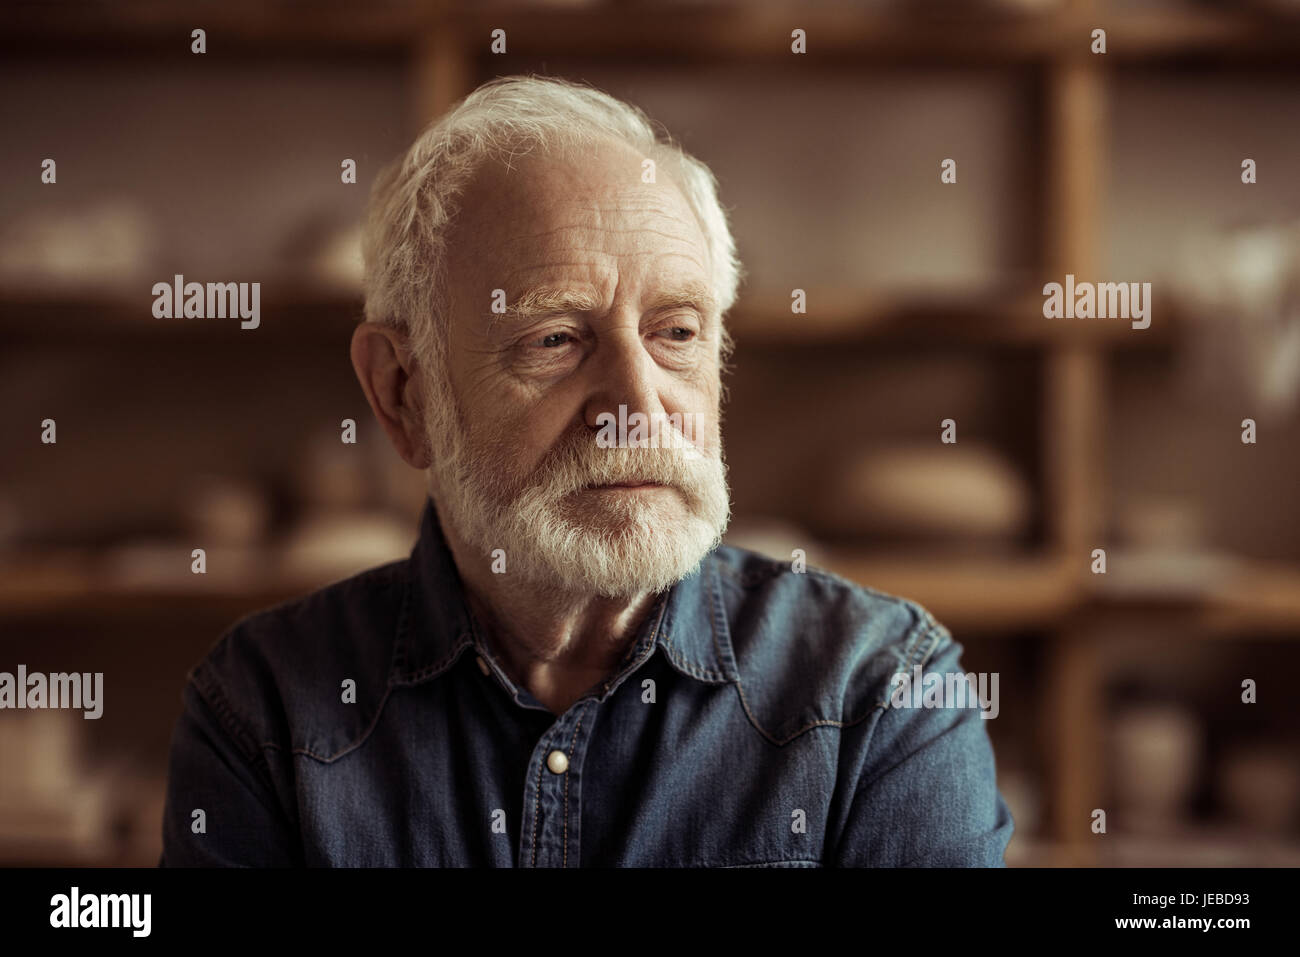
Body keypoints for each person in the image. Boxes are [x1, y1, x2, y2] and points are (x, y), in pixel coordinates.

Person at [160, 74, 1013, 867]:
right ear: (403, 393)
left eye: (676, 332)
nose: (639, 406)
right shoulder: (264, 711)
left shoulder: (882, 691)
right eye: (555, 340)